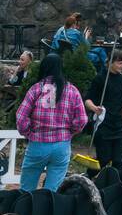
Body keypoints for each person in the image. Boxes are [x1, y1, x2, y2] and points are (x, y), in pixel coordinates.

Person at [16, 53, 88, 191]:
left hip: (38, 143)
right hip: (61, 145)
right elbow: (82, 120)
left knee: (26, 189)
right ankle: (48, 210)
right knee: (52, 191)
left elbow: (21, 117)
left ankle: (25, 211)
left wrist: (28, 133)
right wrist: (70, 132)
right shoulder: (72, 90)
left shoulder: (36, 89)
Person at [85, 51, 122, 170]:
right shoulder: (100, 79)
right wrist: (94, 108)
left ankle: (113, 186)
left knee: (118, 161)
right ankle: (88, 178)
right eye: (119, 63)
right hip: (104, 125)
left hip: (119, 125)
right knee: (103, 160)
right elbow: (87, 100)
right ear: (110, 63)